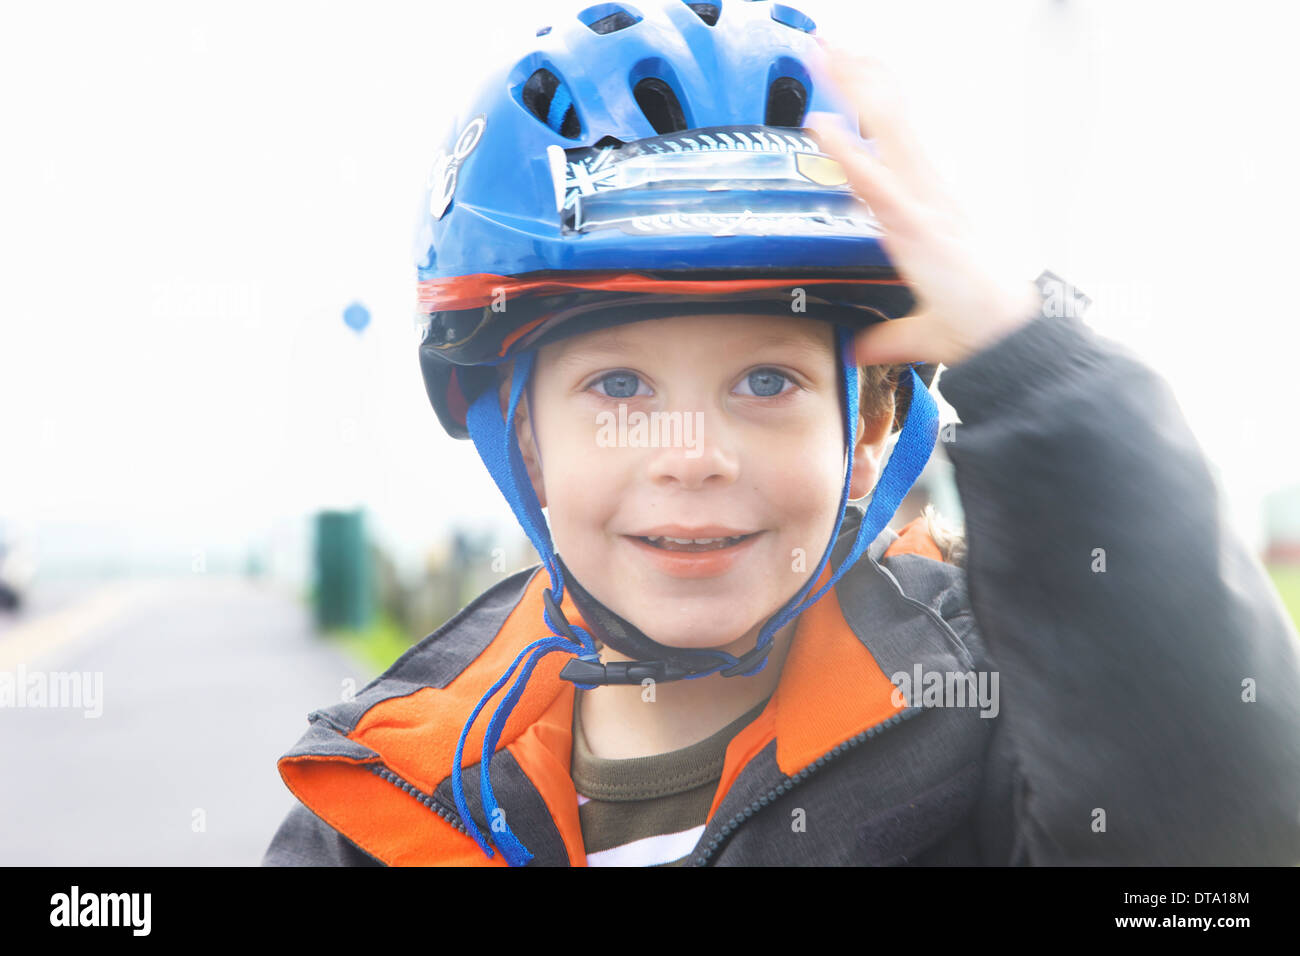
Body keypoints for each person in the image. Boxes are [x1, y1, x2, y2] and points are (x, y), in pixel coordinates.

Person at [262, 1, 1300, 866]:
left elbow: (1217, 837)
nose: (692, 452)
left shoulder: (997, 736)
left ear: (869, 428)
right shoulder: (379, 797)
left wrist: (1032, 372)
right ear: (522, 438)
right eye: (617, 383)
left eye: (767, 380)